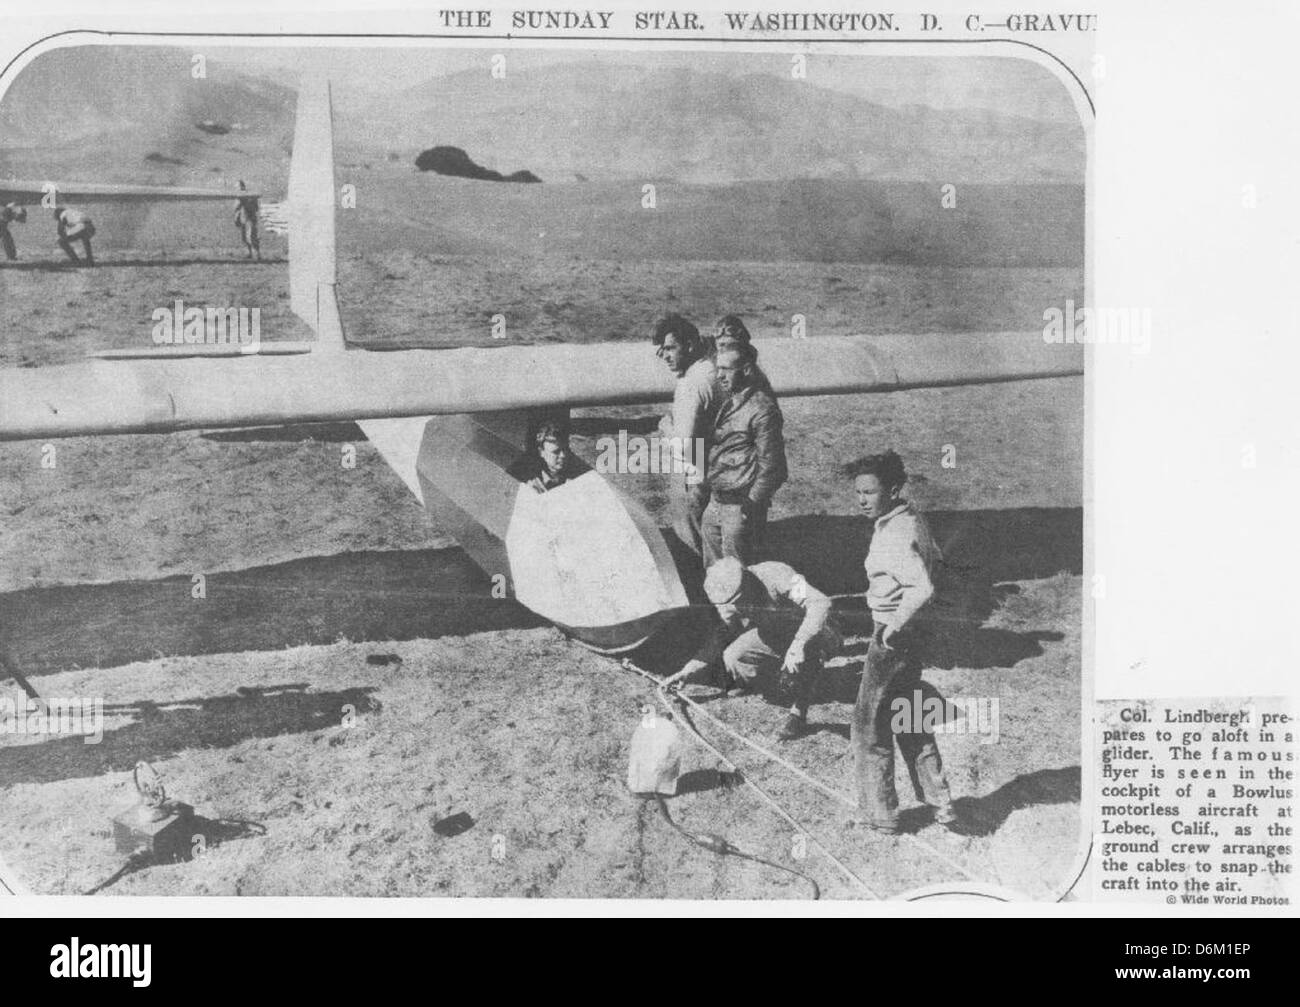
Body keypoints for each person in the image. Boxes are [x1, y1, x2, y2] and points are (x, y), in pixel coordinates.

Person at [847, 450, 958, 834]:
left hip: (892, 640)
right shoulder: (911, 519)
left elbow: (922, 586)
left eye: (870, 492)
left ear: (892, 490)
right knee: (910, 718)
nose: (862, 499)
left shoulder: (893, 535)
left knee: (869, 727)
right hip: (916, 637)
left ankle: (882, 814)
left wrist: (893, 624)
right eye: (858, 491)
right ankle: (940, 802)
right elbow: (937, 563)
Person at [665, 557, 839, 741]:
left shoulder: (777, 574)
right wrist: (688, 670)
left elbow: (820, 603)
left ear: (747, 579)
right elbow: (721, 636)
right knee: (732, 656)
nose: (738, 606)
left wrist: (798, 644)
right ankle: (783, 682)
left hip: (818, 631)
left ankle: (798, 713)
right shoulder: (728, 600)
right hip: (774, 634)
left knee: (806, 654)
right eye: (733, 603)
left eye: (740, 599)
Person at [702, 341, 786, 565]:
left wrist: (752, 503)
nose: (719, 375)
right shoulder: (729, 402)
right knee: (715, 576)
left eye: (726, 369)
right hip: (716, 501)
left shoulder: (762, 410)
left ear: (746, 370)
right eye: (718, 369)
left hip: (740, 507)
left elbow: (774, 465)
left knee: (741, 576)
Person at [650, 313, 718, 556]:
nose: (665, 356)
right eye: (662, 350)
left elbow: (683, 445)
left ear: (689, 346)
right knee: (713, 542)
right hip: (713, 468)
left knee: (691, 543)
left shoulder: (690, 384)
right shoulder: (711, 371)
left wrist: (666, 427)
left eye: (671, 348)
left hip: (692, 474)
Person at [513, 418, 580, 493]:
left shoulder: (577, 479)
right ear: (541, 452)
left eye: (565, 449)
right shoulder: (529, 484)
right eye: (556, 452)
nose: (563, 455)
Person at [234, 180, 261, 260]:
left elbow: (255, 208)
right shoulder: (238, 196)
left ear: (242, 186)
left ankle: (256, 255)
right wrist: (237, 218)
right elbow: (237, 208)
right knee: (245, 238)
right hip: (243, 219)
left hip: (250, 219)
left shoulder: (250, 195)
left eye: (238, 187)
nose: (237, 189)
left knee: (251, 237)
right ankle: (249, 253)